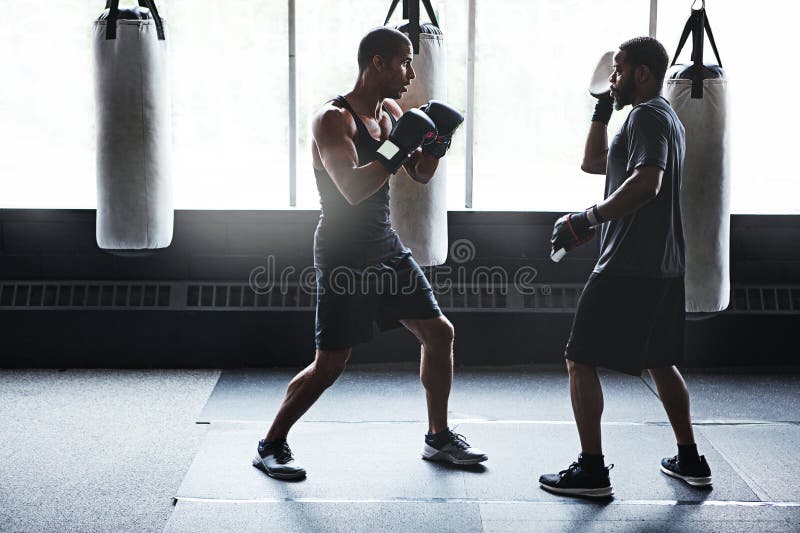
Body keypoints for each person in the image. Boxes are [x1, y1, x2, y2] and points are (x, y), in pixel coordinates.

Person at [252, 27, 487, 480]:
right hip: (343, 254)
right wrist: (401, 144)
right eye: (404, 62)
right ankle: (271, 443)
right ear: (376, 63)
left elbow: (417, 174)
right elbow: (354, 188)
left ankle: (437, 438)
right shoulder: (332, 119)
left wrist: (436, 147)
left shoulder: (394, 112)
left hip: (385, 246)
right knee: (330, 364)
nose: (411, 73)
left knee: (439, 334)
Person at [540, 36, 712, 498]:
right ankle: (691, 458)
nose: (612, 78)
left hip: (628, 264)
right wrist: (600, 109)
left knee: (579, 359)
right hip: (663, 265)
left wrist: (588, 218)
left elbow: (648, 183)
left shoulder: (647, 116)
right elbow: (593, 163)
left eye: (618, 70)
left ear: (641, 73)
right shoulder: (660, 118)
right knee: (661, 361)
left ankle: (592, 470)